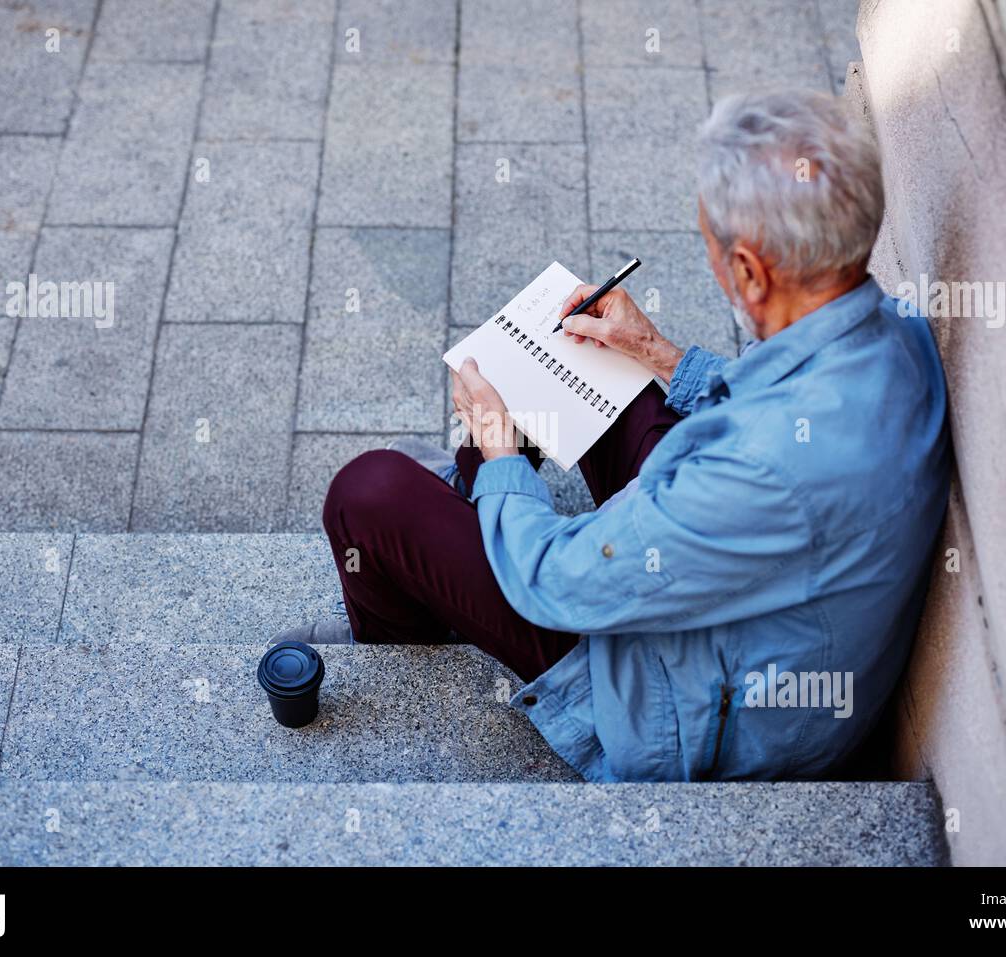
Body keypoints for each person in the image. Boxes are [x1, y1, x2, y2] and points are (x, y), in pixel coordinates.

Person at [300, 90, 951, 782]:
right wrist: (657, 351)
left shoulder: (757, 469)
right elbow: (778, 405)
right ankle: (469, 513)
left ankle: (413, 626)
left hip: (680, 711)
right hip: (752, 603)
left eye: (709, 243)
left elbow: (555, 579)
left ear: (752, 273)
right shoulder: (892, 329)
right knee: (596, 358)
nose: (708, 258)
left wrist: (498, 453)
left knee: (368, 492)